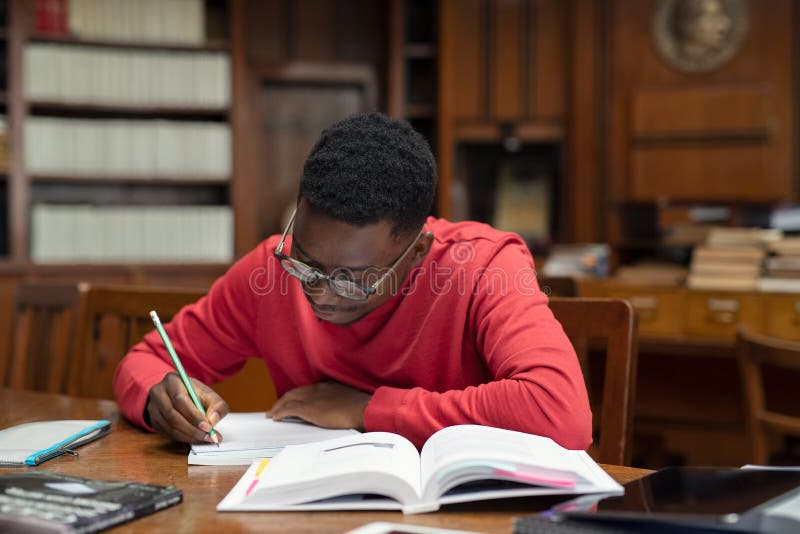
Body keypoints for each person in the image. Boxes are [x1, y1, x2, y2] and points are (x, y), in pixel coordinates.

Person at [113, 113, 592, 450]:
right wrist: (160, 398)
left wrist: (369, 411)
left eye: (352, 280)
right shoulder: (270, 274)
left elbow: (558, 411)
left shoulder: (482, 266)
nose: (318, 290)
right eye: (303, 258)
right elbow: (146, 361)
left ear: (417, 251)